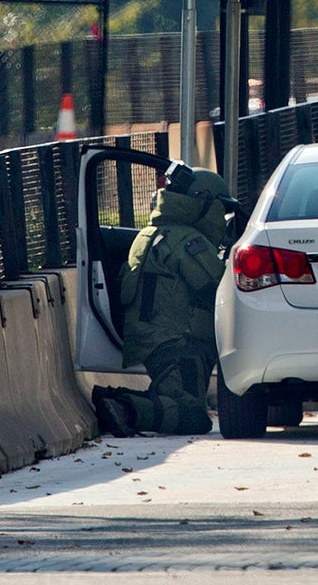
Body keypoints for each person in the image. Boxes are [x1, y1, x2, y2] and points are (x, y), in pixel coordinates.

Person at [92, 164, 231, 437]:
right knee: (192, 415)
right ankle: (125, 407)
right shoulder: (187, 241)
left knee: (176, 398)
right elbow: (219, 291)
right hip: (178, 344)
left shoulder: (149, 234)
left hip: (154, 341)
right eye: (221, 209)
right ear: (204, 204)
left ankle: (123, 403)